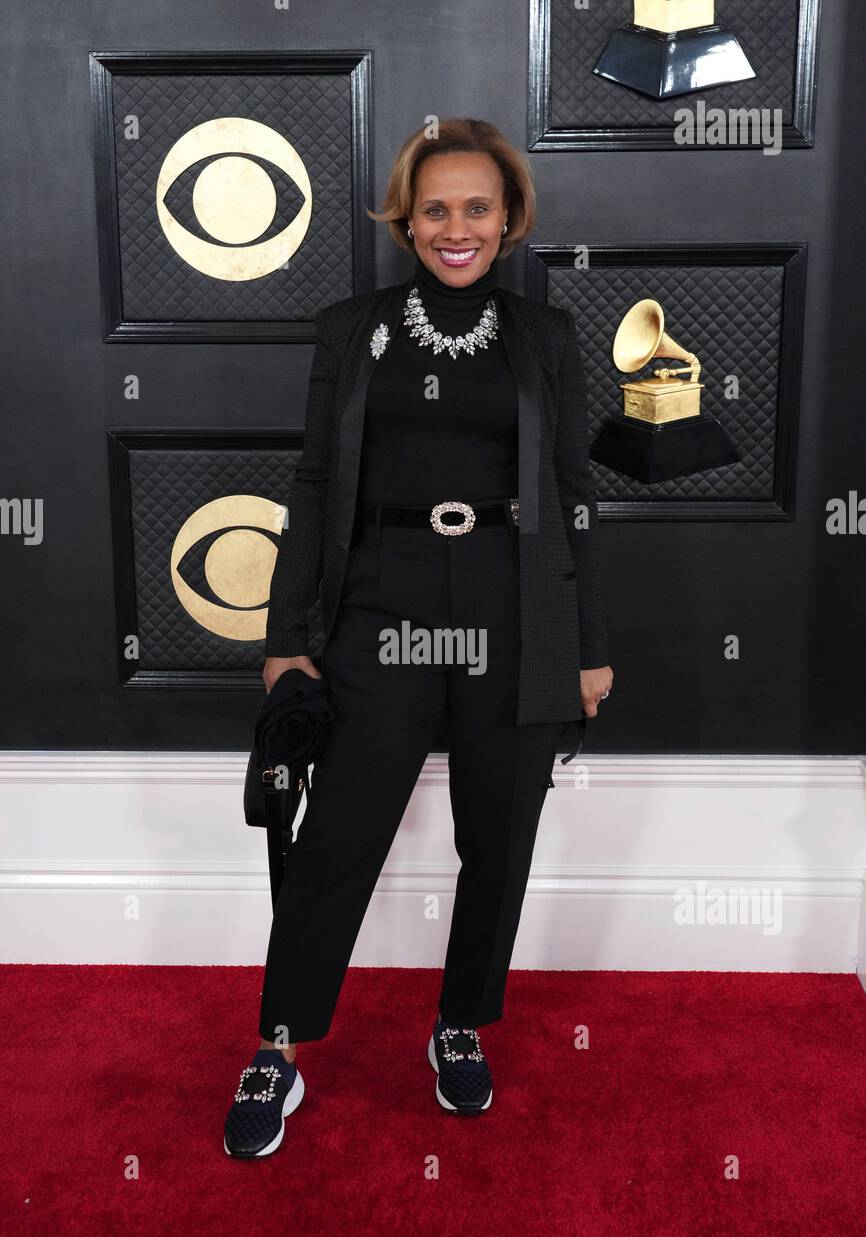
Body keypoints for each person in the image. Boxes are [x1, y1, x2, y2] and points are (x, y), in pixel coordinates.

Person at [224, 118, 614, 1158]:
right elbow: (310, 485)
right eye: (434, 207)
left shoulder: (547, 338)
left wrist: (586, 642)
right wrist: (288, 633)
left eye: (475, 208)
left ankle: (456, 1025)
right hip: (380, 600)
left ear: (507, 218)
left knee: (499, 834)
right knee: (339, 832)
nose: (456, 227)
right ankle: (279, 1046)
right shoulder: (349, 328)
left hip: (515, 602)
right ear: (406, 219)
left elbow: (574, 499)